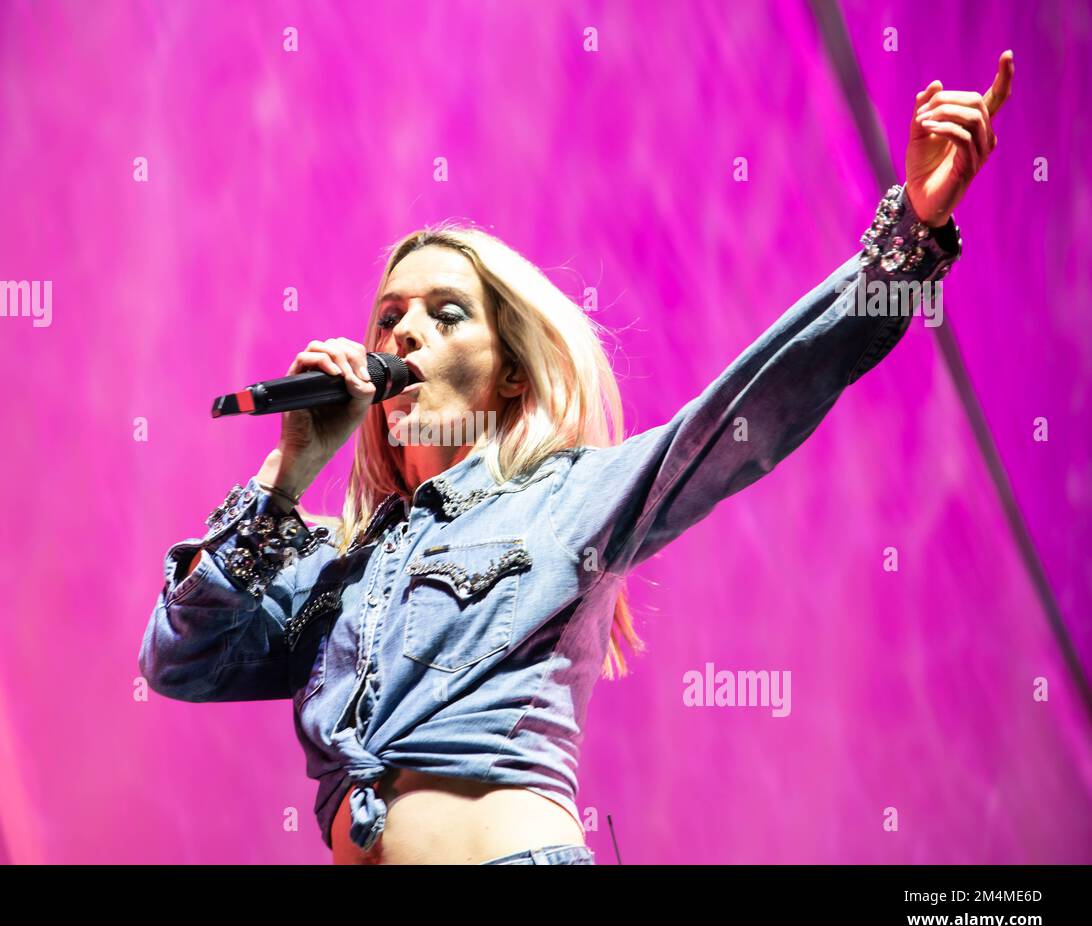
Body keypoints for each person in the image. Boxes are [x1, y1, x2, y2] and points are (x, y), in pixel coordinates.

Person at [140, 53, 1014, 865]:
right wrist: (285, 477)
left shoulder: (563, 503)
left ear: (513, 374)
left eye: (447, 314)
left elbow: (752, 405)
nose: (405, 331)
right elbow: (181, 661)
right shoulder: (331, 569)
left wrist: (910, 236)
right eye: (391, 315)